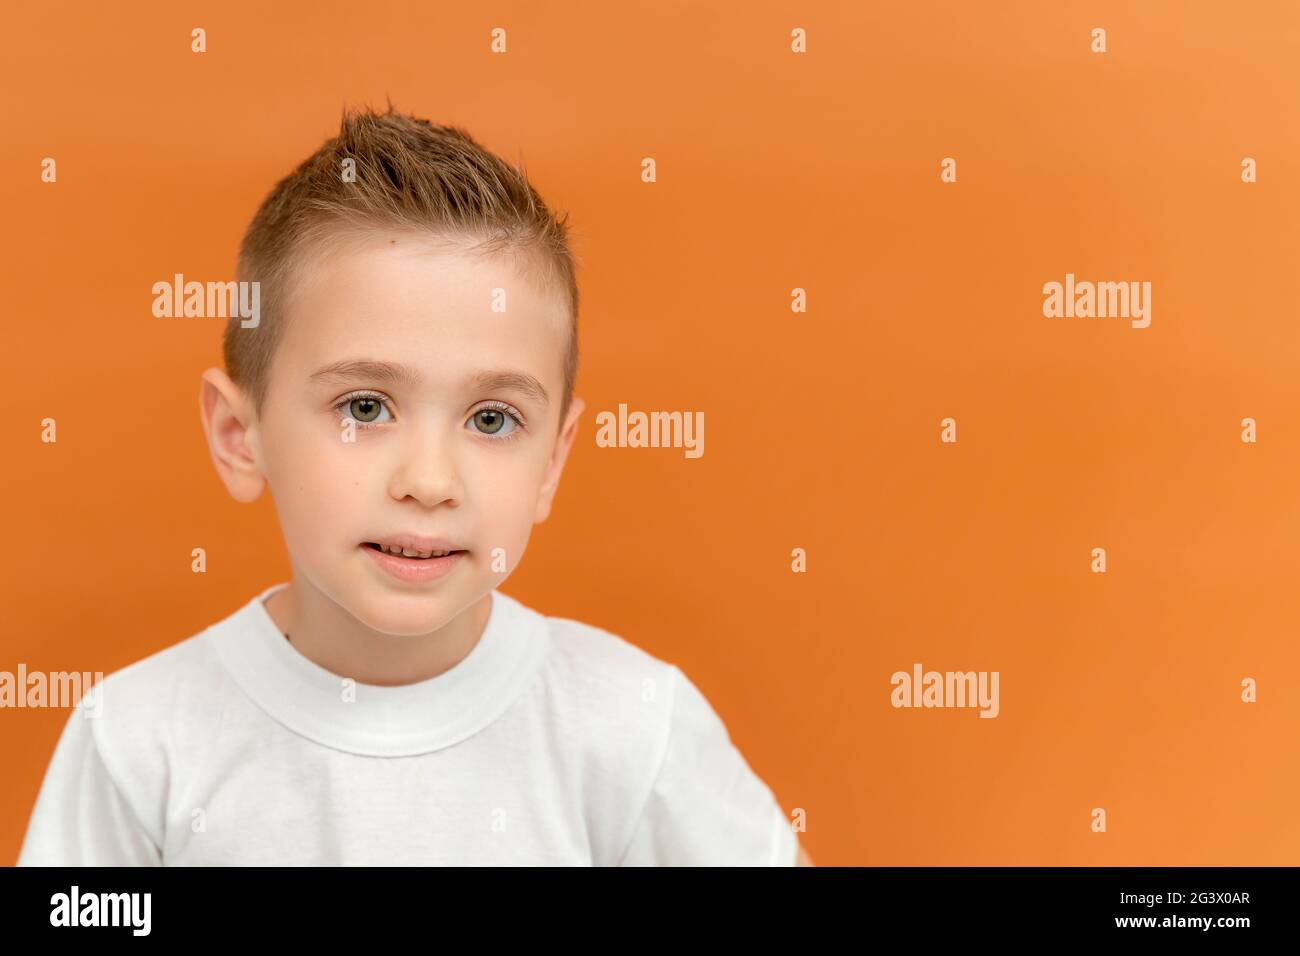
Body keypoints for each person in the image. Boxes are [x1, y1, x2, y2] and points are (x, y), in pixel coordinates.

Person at [17, 106, 811, 866]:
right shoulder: (137, 741)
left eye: (493, 420)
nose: (430, 482)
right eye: (365, 407)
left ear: (554, 462)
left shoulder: (632, 726)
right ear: (239, 437)